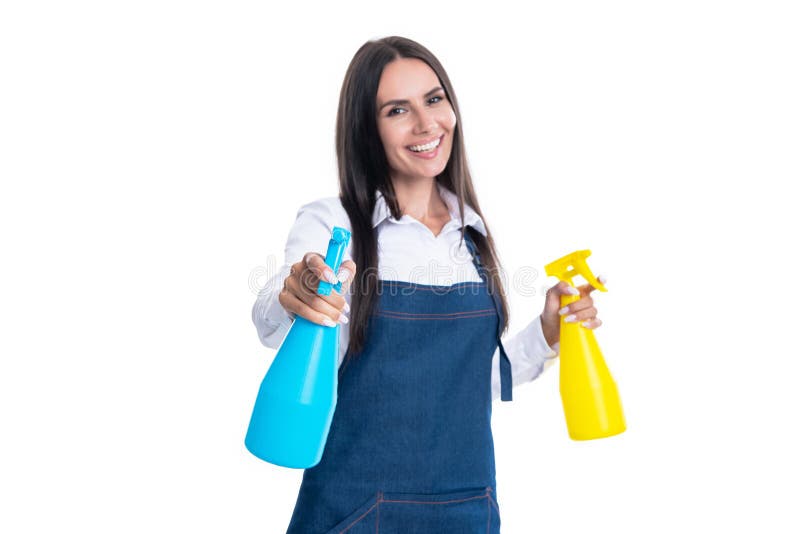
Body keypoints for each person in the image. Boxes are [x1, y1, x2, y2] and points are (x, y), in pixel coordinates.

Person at [252, 35, 605, 534]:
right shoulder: (335, 224)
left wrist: (548, 334)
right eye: (397, 110)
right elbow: (276, 319)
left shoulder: (471, 232)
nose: (426, 124)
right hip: (354, 514)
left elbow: (463, 387)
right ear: (366, 129)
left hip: (468, 510)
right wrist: (299, 293)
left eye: (434, 100)